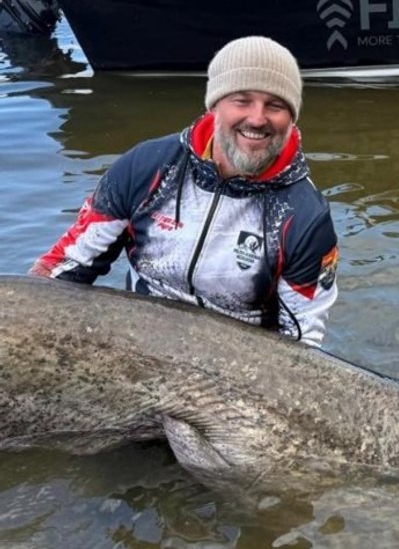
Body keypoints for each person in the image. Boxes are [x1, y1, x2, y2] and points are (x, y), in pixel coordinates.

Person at [29, 36, 339, 347]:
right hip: (138, 343)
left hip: (239, 366)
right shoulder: (146, 166)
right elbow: (64, 271)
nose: (257, 118)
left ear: (291, 117)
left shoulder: (306, 218)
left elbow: (303, 345)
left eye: (275, 105)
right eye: (242, 100)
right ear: (215, 104)